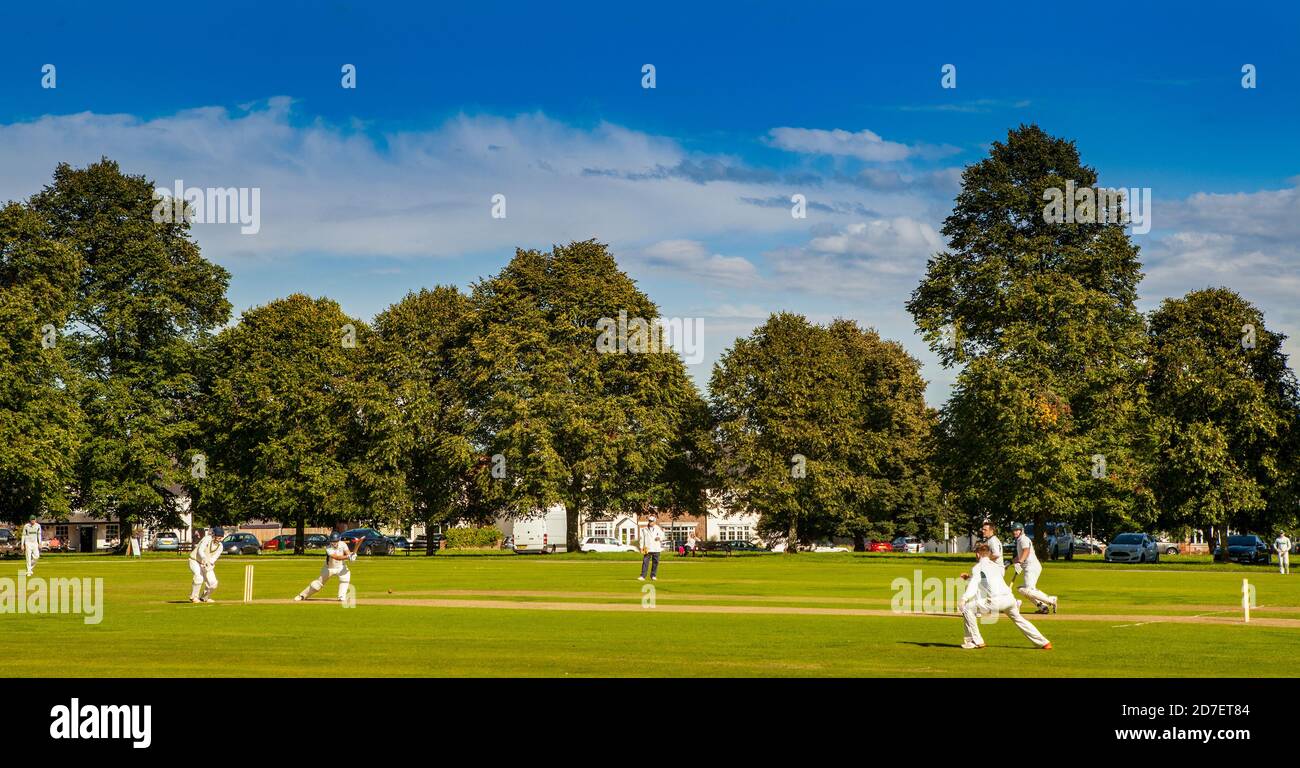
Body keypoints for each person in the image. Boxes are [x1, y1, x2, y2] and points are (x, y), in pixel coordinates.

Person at [958, 543, 1051, 650]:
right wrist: (969, 577)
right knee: (1020, 620)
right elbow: (987, 582)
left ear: (978, 554)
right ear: (989, 554)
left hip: (995, 601)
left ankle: (976, 641)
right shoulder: (996, 566)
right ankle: (1044, 642)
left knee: (967, 608)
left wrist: (964, 598)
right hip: (1010, 599)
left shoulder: (977, 567)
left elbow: (974, 584)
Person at [294, 532, 358, 602]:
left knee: (346, 576)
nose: (334, 543)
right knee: (317, 585)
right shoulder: (328, 548)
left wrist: (352, 556)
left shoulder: (343, 544)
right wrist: (348, 557)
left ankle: (341, 596)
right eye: (332, 541)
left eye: (335, 541)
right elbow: (336, 557)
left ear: (339, 540)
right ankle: (302, 595)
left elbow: (348, 552)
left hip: (340, 566)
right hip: (329, 568)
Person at [1010, 522, 1058, 613]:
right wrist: (1010, 562)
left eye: (1017, 530)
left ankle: (1051, 600)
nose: (1015, 532)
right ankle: (1043, 607)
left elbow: (1026, 551)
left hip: (1032, 567)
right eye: (1014, 530)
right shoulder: (1019, 540)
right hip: (1029, 567)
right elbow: (1020, 555)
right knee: (1022, 590)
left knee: (1029, 590)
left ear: (1021, 531)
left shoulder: (1023, 539)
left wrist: (1020, 562)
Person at [189, 526, 225, 603]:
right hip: (195, 560)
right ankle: (194, 597)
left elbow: (214, 557)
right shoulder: (207, 539)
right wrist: (204, 559)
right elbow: (200, 550)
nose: (219, 538)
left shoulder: (220, 546)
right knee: (199, 577)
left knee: (213, 583)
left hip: (206, 564)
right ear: (214, 535)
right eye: (218, 536)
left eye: (221, 537)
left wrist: (209, 563)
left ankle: (204, 597)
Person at [639, 515, 666, 581]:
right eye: (649, 521)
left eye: (652, 521)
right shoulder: (644, 529)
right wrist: (641, 547)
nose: (650, 522)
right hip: (646, 547)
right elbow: (642, 539)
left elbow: (663, 536)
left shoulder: (658, 528)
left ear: (654, 522)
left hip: (656, 547)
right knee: (645, 562)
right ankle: (643, 576)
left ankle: (653, 575)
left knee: (655, 562)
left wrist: (659, 538)